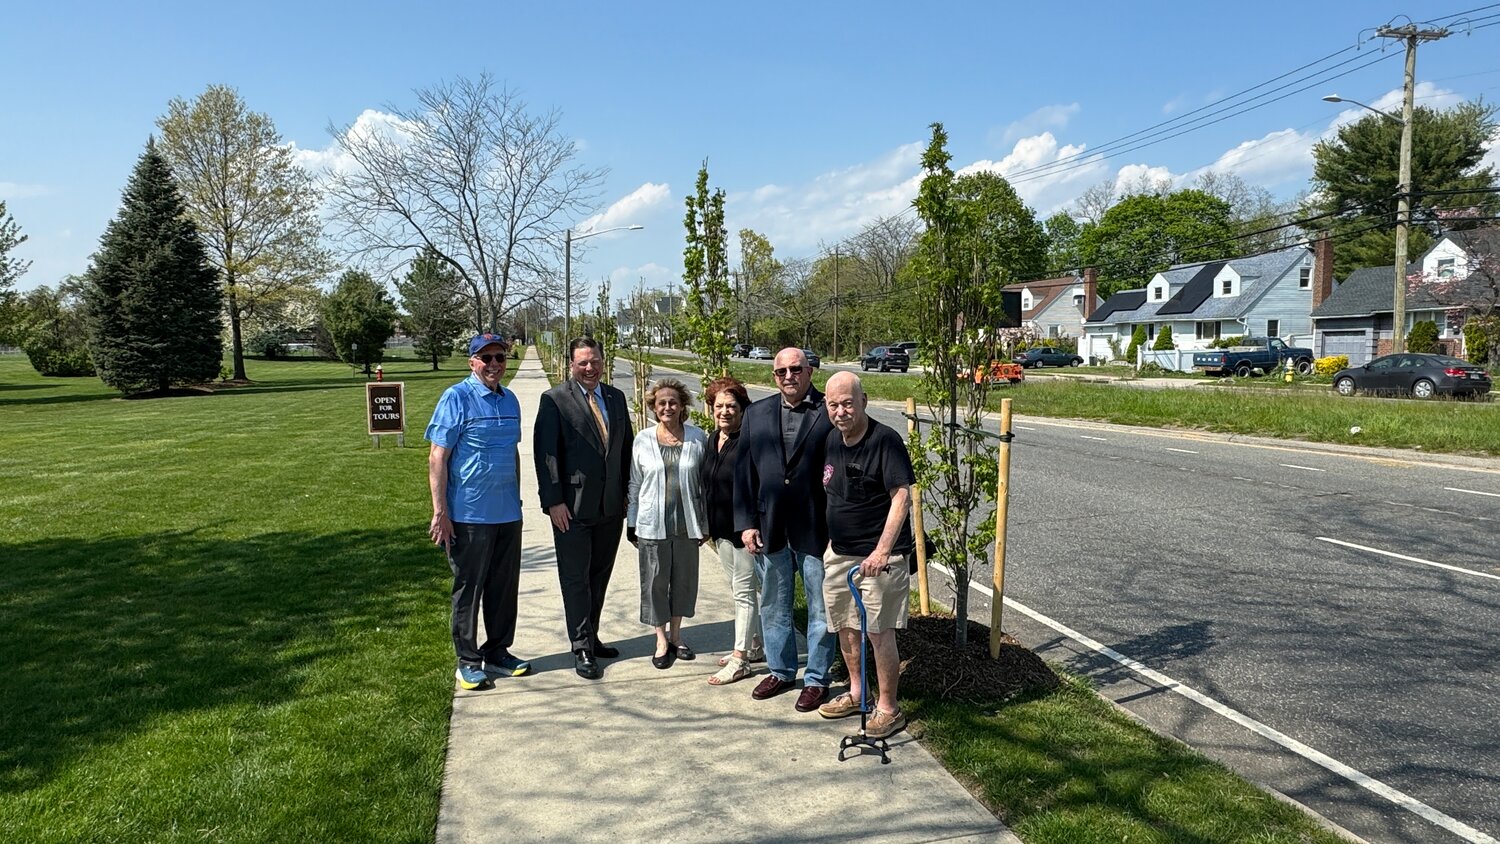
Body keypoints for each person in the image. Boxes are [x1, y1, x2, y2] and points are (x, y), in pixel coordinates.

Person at [426, 333, 531, 691]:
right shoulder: (456, 398)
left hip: (506, 513)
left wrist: (517, 499)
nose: (493, 365)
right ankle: (467, 661)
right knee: (469, 590)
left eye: (499, 358)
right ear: (472, 362)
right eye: (485, 358)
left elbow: (512, 453)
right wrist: (441, 512)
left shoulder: (510, 400)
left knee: (504, 589)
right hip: (468, 514)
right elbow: (438, 456)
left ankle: (498, 652)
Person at [734, 347, 837, 712]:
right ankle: (780, 670)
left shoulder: (829, 410)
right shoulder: (756, 414)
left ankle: (817, 678)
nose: (789, 376)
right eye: (781, 372)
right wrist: (745, 523)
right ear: (773, 377)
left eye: (796, 369)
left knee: (821, 607)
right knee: (773, 604)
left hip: (817, 527)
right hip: (770, 525)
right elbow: (743, 472)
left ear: (809, 371)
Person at [815, 372, 914, 739]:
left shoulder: (884, 441)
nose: (841, 411)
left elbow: (901, 497)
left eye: (847, 403)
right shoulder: (832, 441)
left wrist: (882, 551)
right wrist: (830, 543)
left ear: (864, 401)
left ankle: (889, 708)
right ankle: (858, 694)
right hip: (840, 554)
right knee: (846, 627)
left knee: (878, 631)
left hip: (878, 559)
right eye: (833, 405)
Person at [534, 337, 633, 680]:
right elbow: (546, 454)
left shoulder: (616, 398)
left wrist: (626, 492)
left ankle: (592, 634)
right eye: (582, 363)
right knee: (576, 579)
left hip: (610, 505)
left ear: (603, 361)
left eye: (594, 361)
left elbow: (625, 449)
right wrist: (553, 501)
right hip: (572, 509)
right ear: (571, 365)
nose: (590, 368)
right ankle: (580, 647)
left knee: (599, 576)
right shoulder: (555, 401)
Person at [626, 378, 709, 669]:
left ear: (683, 405)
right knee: (655, 583)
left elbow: (704, 484)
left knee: (683, 582)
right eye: (662, 402)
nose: (668, 407)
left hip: (687, 524)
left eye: (673, 402)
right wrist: (632, 521)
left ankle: (676, 634)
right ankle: (660, 639)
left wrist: (705, 523)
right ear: (653, 407)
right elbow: (635, 484)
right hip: (651, 525)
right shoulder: (643, 439)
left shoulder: (699, 438)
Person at [699, 377, 762, 686]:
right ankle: (755, 645)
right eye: (718, 406)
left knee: (744, 593)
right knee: (739, 590)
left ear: (743, 408)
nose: (724, 412)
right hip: (721, 531)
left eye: (731, 406)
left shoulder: (750, 441)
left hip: (745, 532)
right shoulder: (712, 440)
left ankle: (740, 660)